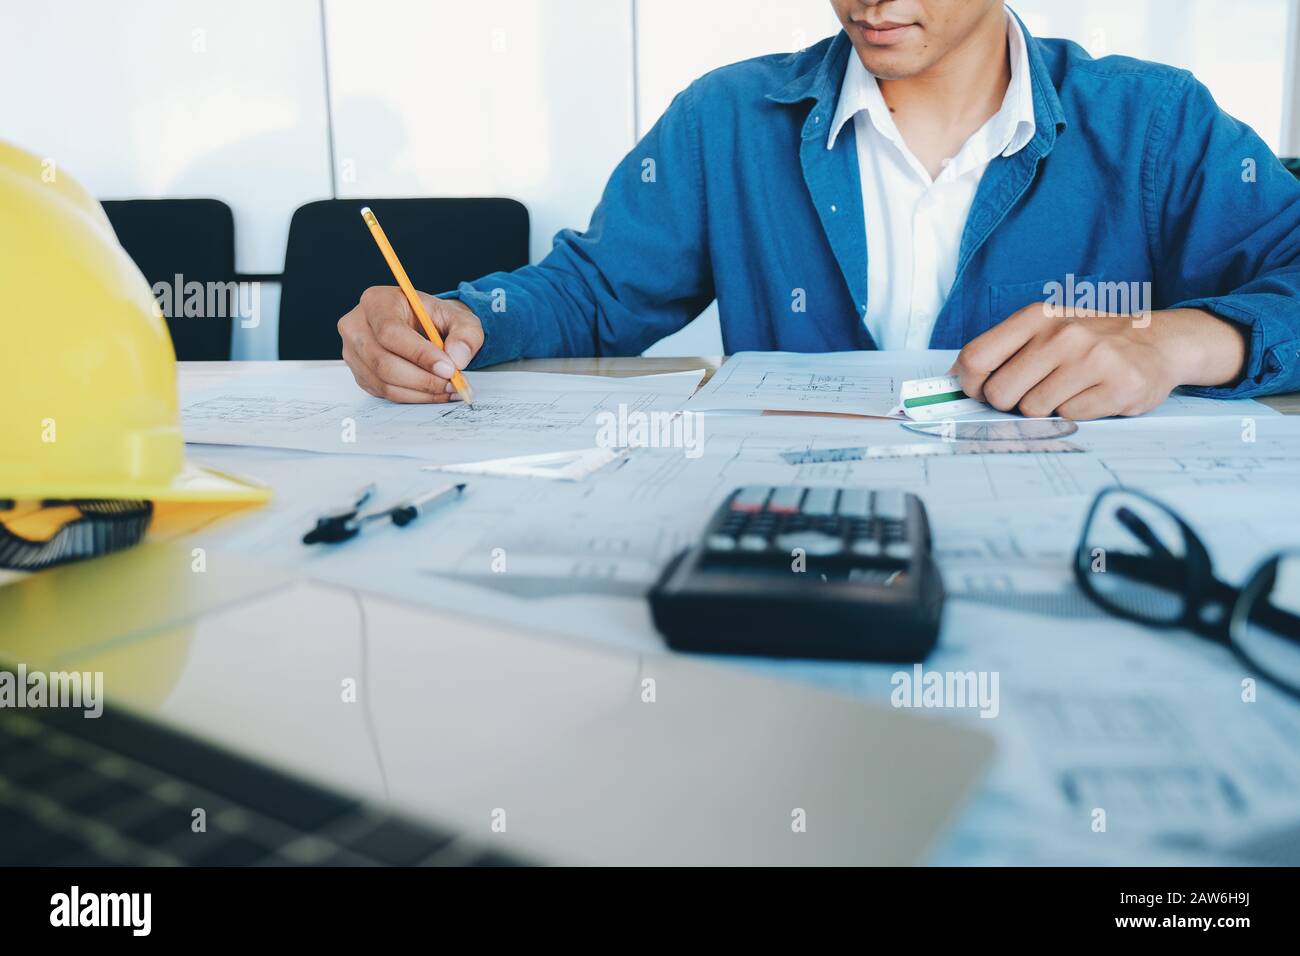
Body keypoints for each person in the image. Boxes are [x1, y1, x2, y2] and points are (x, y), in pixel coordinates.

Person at [337, 0, 1300, 419]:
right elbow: (591, 295)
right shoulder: (725, 118)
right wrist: (464, 320)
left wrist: (1176, 343)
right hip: (797, 553)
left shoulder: (1154, 122)